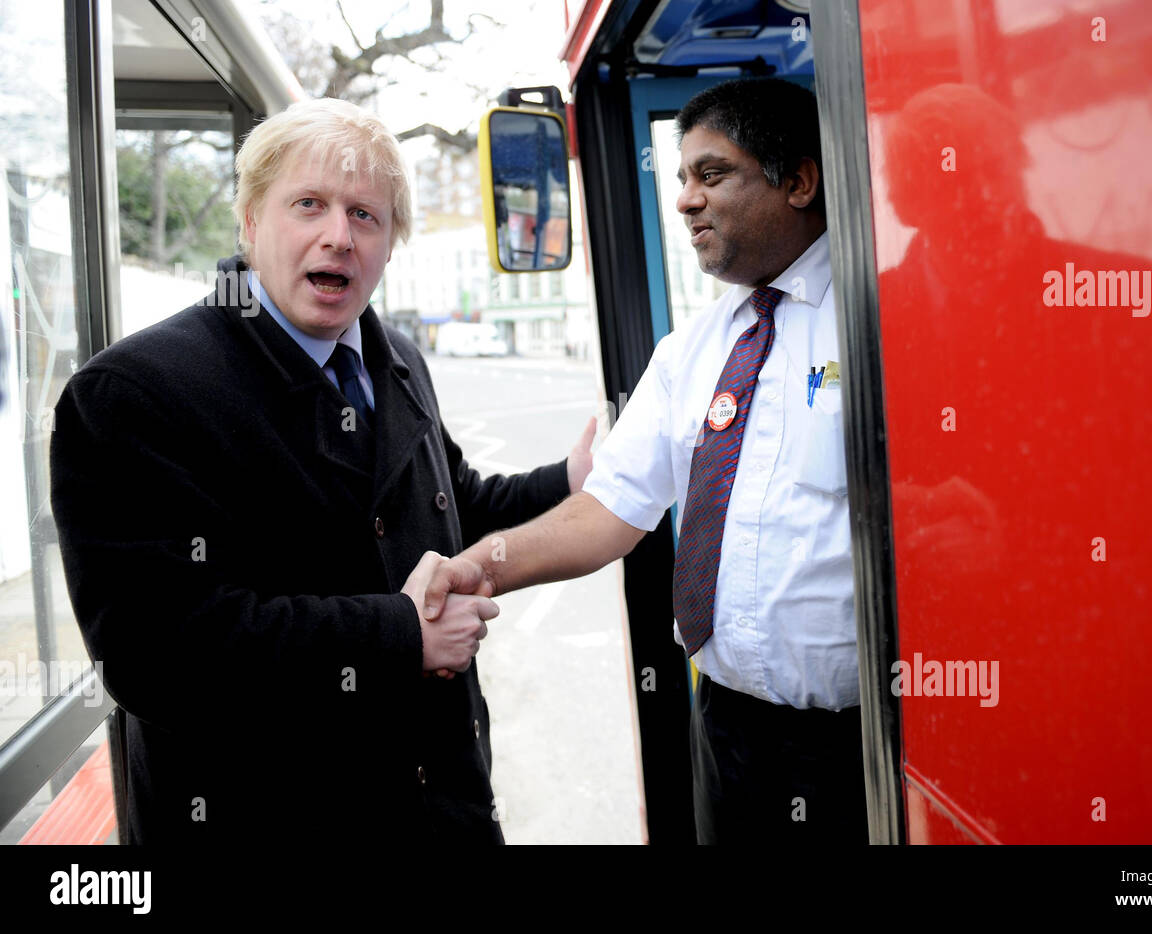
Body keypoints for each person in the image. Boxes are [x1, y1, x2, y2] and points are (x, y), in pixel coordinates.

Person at [49, 97, 595, 845]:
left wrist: (570, 480)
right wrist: (399, 634)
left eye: (365, 215)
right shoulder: (135, 393)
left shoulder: (397, 357)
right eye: (309, 204)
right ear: (250, 221)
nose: (339, 235)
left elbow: (451, 502)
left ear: (391, 244)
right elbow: (157, 653)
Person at [430, 78, 866, 843]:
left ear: (798, 181)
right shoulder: (691, 351)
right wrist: (478, 568)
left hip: (861, 747)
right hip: (725, 733)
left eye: (712, 174)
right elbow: (609, 509)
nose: (686, 201)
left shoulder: (882, 322)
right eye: (681, 178)